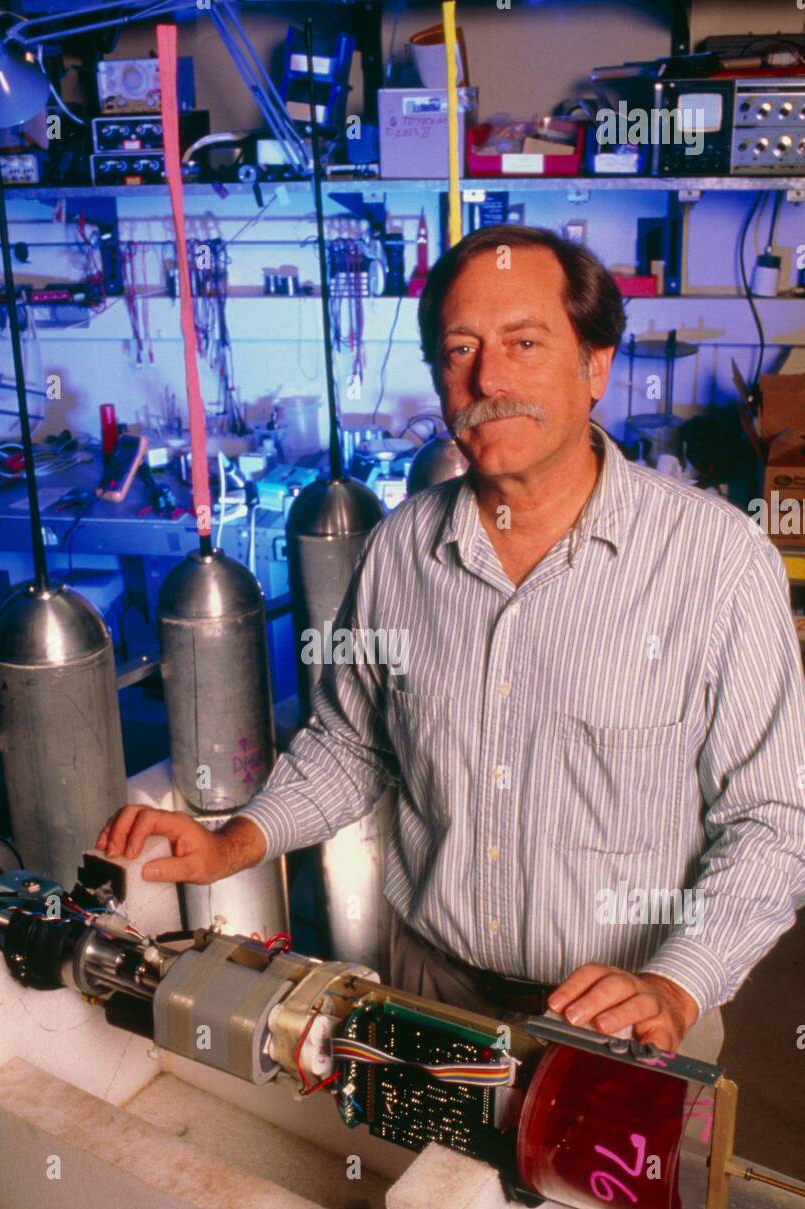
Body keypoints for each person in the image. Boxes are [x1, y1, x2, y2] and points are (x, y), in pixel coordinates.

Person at [98, 225, 805, 1066]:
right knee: (422, 1199)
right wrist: (234, 841)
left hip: (632, 1021)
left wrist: (678, 984)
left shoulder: (719, 563)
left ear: (596, 365)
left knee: (603, 1204)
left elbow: (771, 822)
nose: (489, 379)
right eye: (460, 349)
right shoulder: (400, 549)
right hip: (435, 993)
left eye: (525, 343)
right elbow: (350, 745)